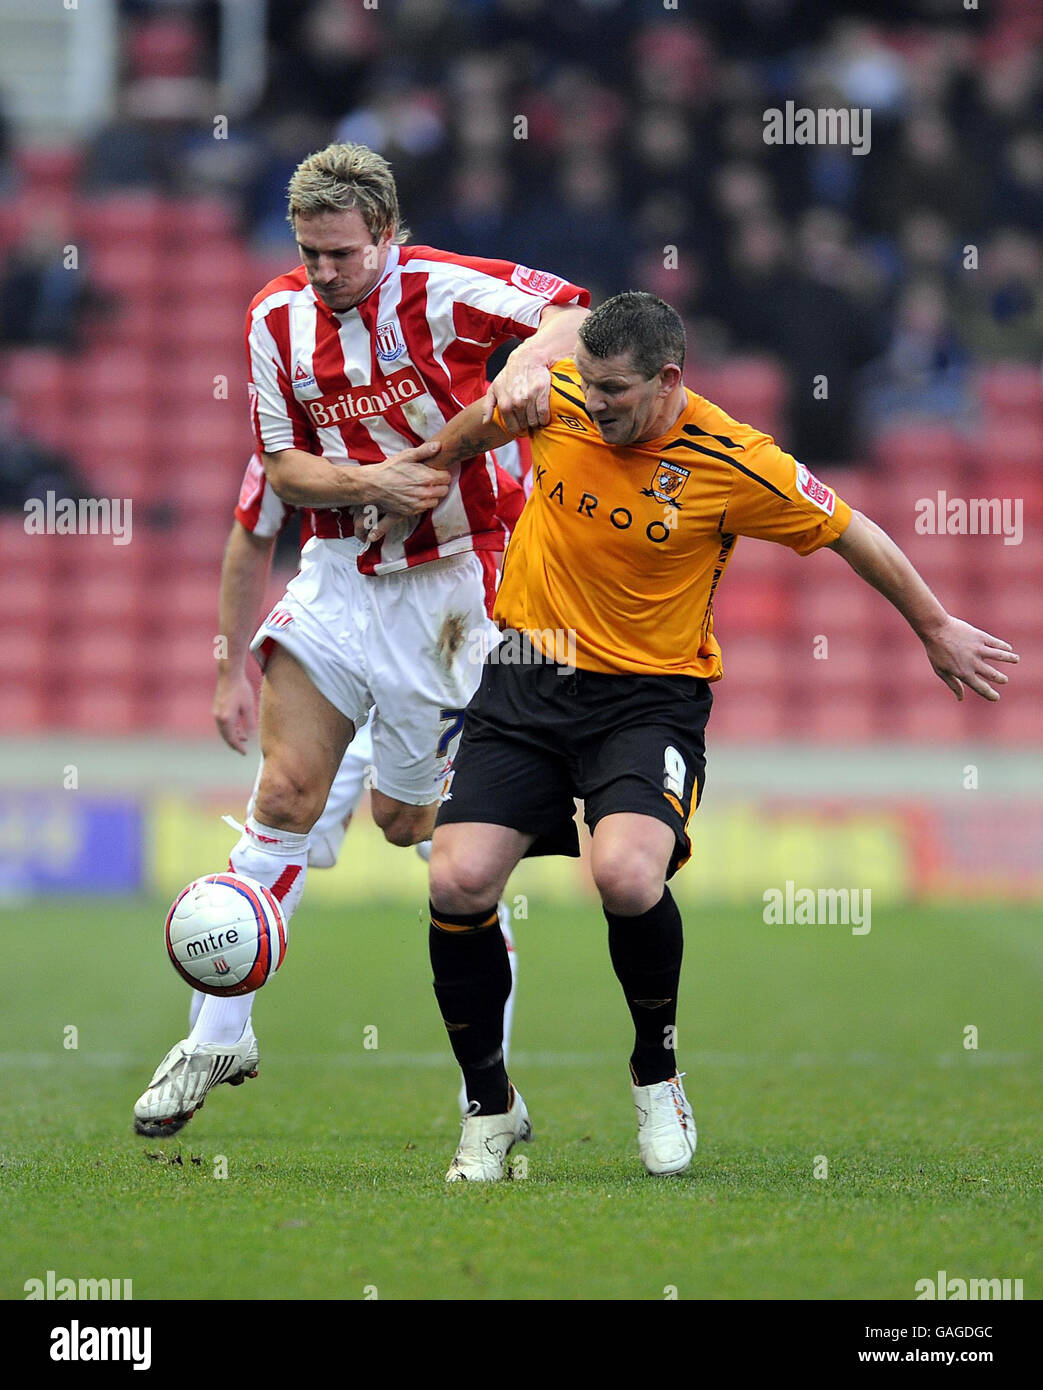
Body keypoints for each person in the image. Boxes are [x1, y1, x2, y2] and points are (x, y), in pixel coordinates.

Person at [372, 290, 1019, 1181]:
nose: (593, 406)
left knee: (626, 876)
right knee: (456, 878)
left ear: (668, 379)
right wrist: (421, 471)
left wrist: (935, 626)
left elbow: (852, 532)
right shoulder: (556, 395)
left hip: (649, 697)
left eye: (614, 392)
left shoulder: (734, 459)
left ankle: (656, 1076)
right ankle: (490, 1110)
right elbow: (477, 427)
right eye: (586, 387)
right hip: (524, 677)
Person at [132, 142, 588, 1137]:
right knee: (283, 794)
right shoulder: (272, 318)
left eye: (342, 253)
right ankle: (218, 1031)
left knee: (420, 834)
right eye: (310, 253)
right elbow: (281, 476)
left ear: (386, 234)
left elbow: (577, 314)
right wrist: (372, 484)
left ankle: (491, 1092)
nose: (324, 273)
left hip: (456, 590)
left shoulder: (444, 290)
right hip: (337, 580)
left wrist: (520, 365)